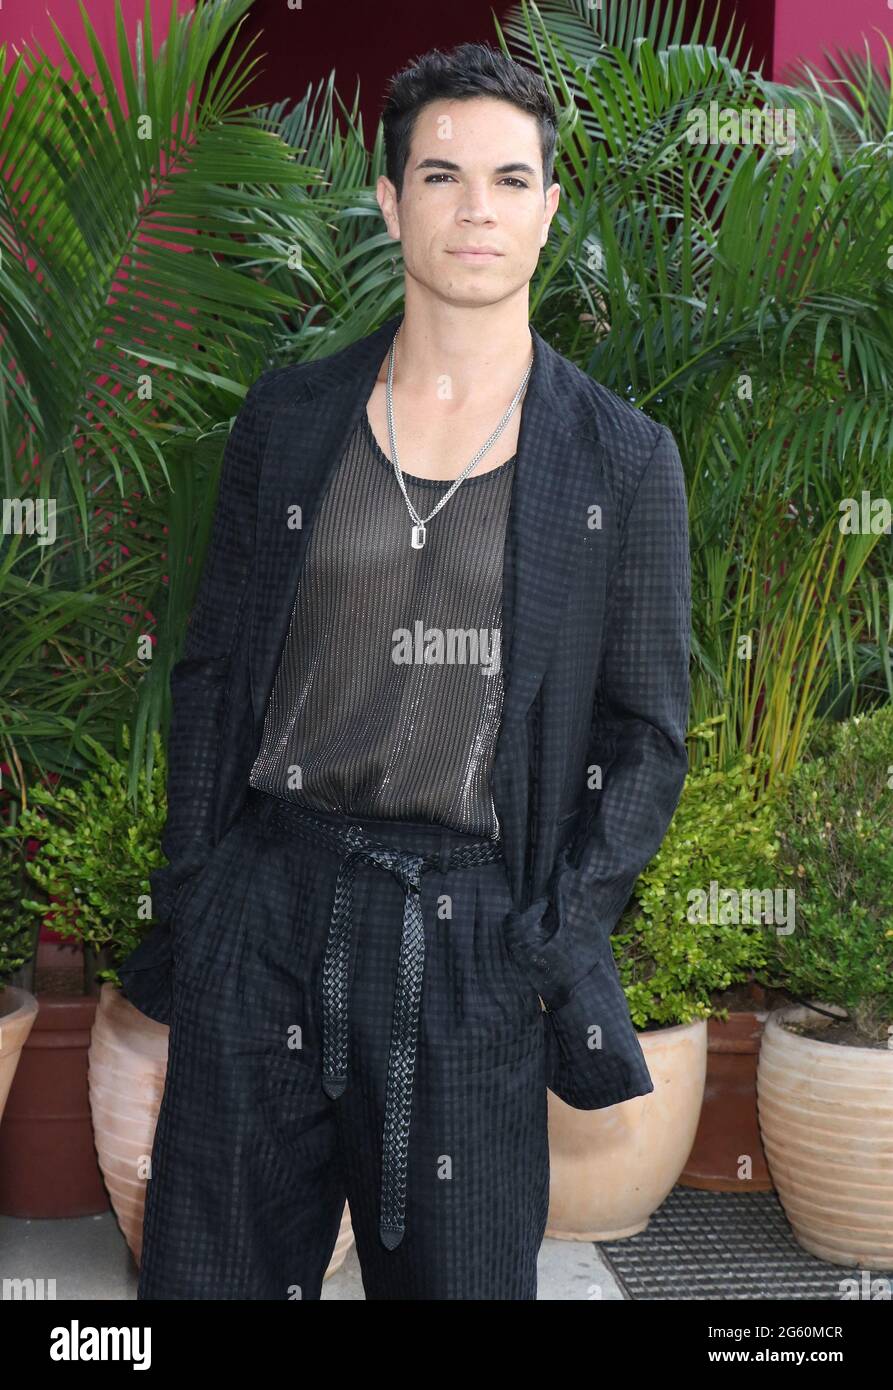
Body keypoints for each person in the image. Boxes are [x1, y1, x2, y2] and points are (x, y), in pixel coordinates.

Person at [119, 40, 691, 1301]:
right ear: (388, 202)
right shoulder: (290, 417)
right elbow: (212, 674)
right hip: (269, 904)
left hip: (468, 939)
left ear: (549, 208)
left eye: (507, 178)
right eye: (440, 176)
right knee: (206, 1282)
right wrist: (202, 894)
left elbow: (647, 734)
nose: (474, 208)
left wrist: (548, 937)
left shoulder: (619, 463)